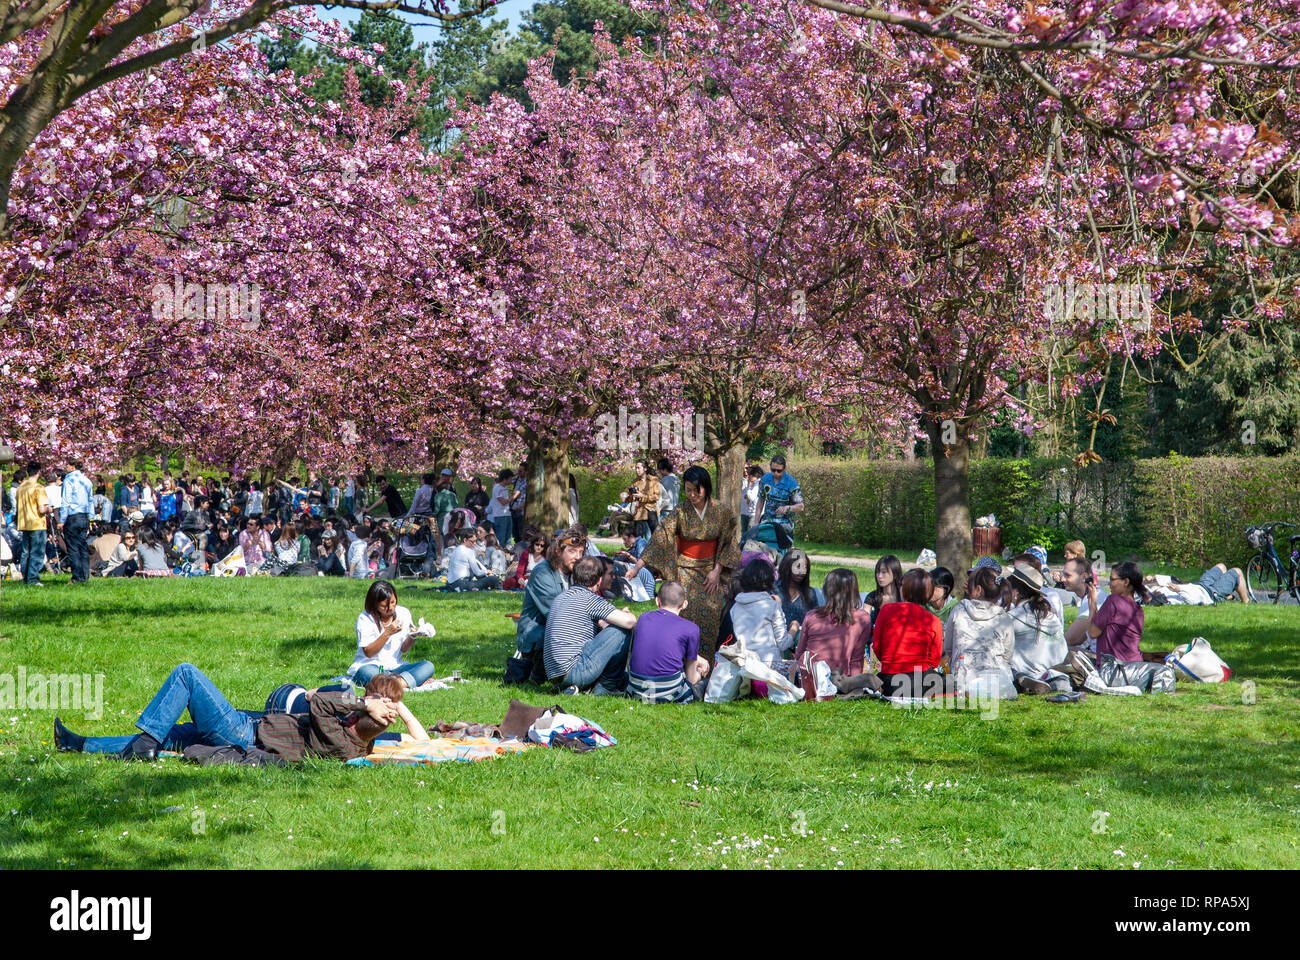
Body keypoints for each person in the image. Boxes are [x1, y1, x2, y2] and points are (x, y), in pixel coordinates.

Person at [54, 664, 404, 762]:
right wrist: (386, 711)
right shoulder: (358, 746)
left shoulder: (337, 732)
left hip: (240, 732)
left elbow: (321, 701)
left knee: (187, 674)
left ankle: (145, 742)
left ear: (356, 720)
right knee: (169, 735)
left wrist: (363, 703)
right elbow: (374, 731)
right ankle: (82, 745)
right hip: (244, 736)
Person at [636, 465, 741, 662]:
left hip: (712, 573)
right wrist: (638, 566)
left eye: (696, 490)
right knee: (682, 615)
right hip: (684, 572)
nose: (692, 495)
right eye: (688, 490)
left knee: (711, 615)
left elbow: (729, 542)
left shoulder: (721, 511)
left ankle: (706, 667)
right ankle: (680, 665)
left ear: (706, 487)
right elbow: (661, 536)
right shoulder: (680, 511)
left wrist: (717, 571)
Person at [543, 555, 638, 696]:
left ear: (574, 577)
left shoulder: (561, 597)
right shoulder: (590, 599)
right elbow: (630, 623)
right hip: (575, 671)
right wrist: (626, 614)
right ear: (599, 580)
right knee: (621, 630)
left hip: (554, 674)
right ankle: (607, 686)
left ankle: (580, 688)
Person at [1086, 561, 1176, 693]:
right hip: (1135, 666)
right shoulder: (1138, 610)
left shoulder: (1113, 600)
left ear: (1126, 582)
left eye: (1112, 579)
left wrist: (1092, 603)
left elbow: (1092, 633)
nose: (1109, 584)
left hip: (1113, 671)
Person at [512, 526, 588, 681]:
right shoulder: (542, 572)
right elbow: (557, 614)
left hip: (564, 630)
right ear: (558, 552)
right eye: (572, 551)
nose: (577, 557)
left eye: (580, 552)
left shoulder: (576, 573)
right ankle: (538, 674)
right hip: (537, 634)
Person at [872, 568, 951, 698]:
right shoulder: (933, 621)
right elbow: (935, 659)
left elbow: (877, 646)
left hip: (889, 680)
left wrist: (890, 663)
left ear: (905, 588)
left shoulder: (886, 610)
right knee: (951, 682)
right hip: (920, 681)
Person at [627, 581, 708, 703]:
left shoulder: (644, 618)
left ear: (657, 601)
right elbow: (691, 678)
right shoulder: (691, 629)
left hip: (636, 687)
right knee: (704, 681)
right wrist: (700, 673)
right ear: (685, 604)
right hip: (668, 691)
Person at [945, 566, 1016, 699]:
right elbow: (1008, 655)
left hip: (962, 682)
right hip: (999, 684)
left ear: (978, 590)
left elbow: (948, 648)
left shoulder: (959, 610)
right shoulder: (1004, 617)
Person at [348, 580, 436, 689]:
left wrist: (413, 635)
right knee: (365, 672)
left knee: (427, 666)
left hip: (396, 667)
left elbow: (403, 649)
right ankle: (404, 682)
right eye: (384, 606)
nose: (390, 608)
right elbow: (369, 653)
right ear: (374, 604)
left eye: (393, 602)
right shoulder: (365, 618)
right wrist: (387, 633)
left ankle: (394, 683)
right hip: (372, 666)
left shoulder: (403, 613)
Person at [1001, 564, 1069, 695]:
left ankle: (1024, 680)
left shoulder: (1013, 618)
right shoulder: (1050, 615)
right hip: (1054, 670)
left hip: (1027, 671)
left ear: (1016, 592)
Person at [795, 568, 871, 679]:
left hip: (810, 680)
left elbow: (800, 653)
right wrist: (855, 686)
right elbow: (856, 660)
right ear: (854, 592)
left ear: (827, 590)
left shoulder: (811, 615)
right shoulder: (863, 618)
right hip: (838, 680)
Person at [727, 557, 792, 666]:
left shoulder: (735, 606)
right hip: (769, 666)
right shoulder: (772, 606)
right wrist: (793, 629)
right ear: (769, 581)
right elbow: (783, 643)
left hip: (744, 664)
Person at [752, 454, 803, 550]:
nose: (775, 473)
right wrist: (756, 522)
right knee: (764, 552)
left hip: (784, 526)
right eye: (773, 470)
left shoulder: (791, 483)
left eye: (779, 471)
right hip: (767, 523)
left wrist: (787, 508)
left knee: (783, 555)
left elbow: (801, 506)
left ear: (784, 469)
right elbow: (761, 500)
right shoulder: (765, 479)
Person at [1060, 556, 1110, 650]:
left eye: (1067, 575)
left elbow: (1071, 639)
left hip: (1102, 660)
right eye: (1062, 575)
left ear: (1084, 577)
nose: (1062, 579)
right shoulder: (1094, 594)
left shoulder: (1094, 598)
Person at [776, 549, 822, 647]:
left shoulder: (810, 593)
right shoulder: (774, 591)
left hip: (802, 647)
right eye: (798, 567)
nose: (802, 571)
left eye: (805, 567)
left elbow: (816, 621)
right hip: (777, 645)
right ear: (787, 567)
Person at [58, 461, 94, 584]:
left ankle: (76, 577)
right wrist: (91, 518)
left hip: (72, 516)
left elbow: (66, 501)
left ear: (72, 466)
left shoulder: (69, 480)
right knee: (82, 546)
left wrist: (62, 520)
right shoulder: (87, 481)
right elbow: (90, 501)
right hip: (84, 516)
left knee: (73, 548)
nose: (65, 467)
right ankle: (85, 575)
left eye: (67, 465)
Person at [15, 464, 51, 586]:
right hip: (36, 523)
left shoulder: (21, 488)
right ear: (39, 472)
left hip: (24, 523)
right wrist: (49, 510)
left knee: (26, 552)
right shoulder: (38, 488)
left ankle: (25, 577)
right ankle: (33, 579)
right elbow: (42, 509)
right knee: (37, 552)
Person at [624, 459, 662, 539]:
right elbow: (629, 499)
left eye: (638, 468)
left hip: (651, 510)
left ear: (645, 468)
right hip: (639, 512)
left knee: (656, 536)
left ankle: (657, 551)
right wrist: (628, 496)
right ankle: (640, 551)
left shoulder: (654, 480)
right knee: (638, 538)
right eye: (636, 468)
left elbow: (656, 497)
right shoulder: (635, 482)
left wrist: (642, 496)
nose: (636, 470)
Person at [487, 469, 514, 548]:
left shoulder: (505, 487)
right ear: (505, 479)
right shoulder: (497, 488)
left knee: (508, 538)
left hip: (507, 514)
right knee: (501, 538)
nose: (511, 480)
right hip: (500, 516)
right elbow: (503, 502)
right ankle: (499, 554)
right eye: (510, 478)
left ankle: (507, 554)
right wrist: (514, 496)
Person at [739, 464, 763, 536]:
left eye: (750, 475)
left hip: (753, 514)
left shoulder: (758, 484)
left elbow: (752, 497)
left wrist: (749, 487)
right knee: (745, 534)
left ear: (754, 475)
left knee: (750, 535)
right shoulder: (755, 483)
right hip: (747, 512)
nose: (748, 477)